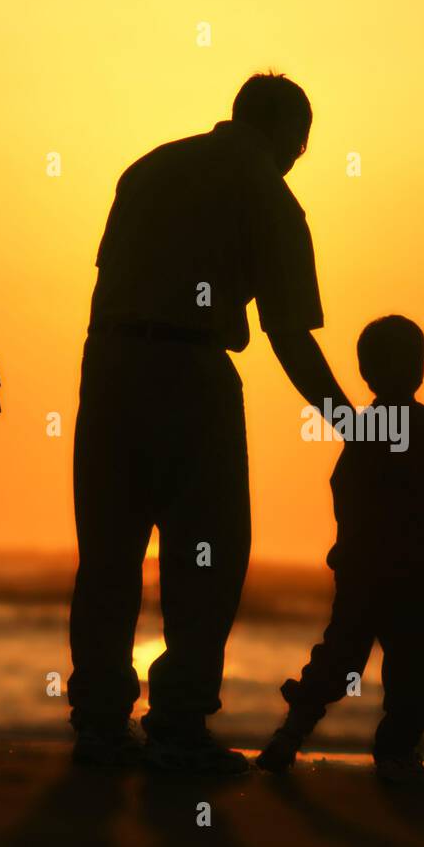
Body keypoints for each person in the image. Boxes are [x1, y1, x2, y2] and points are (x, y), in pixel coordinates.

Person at [68, 74, 352, 771]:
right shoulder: (272, 196)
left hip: (107, 364)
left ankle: (100, 723)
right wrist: (353, 425)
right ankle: (177, 722)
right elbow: (287, 331)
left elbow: (110, 276)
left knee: (108, 555)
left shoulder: (150, 167)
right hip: (192, 376)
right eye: (299, 145)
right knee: (208, 555)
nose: (296, 157)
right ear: (291, 134)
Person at [256, 315, 424, 783]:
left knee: (339, 655)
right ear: (420, 368)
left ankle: (290, 734)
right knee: (412, 668)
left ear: (365, 372)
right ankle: (396, 753)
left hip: (357, 572)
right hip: (410, 581)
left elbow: (346, 497)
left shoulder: (360, 433)